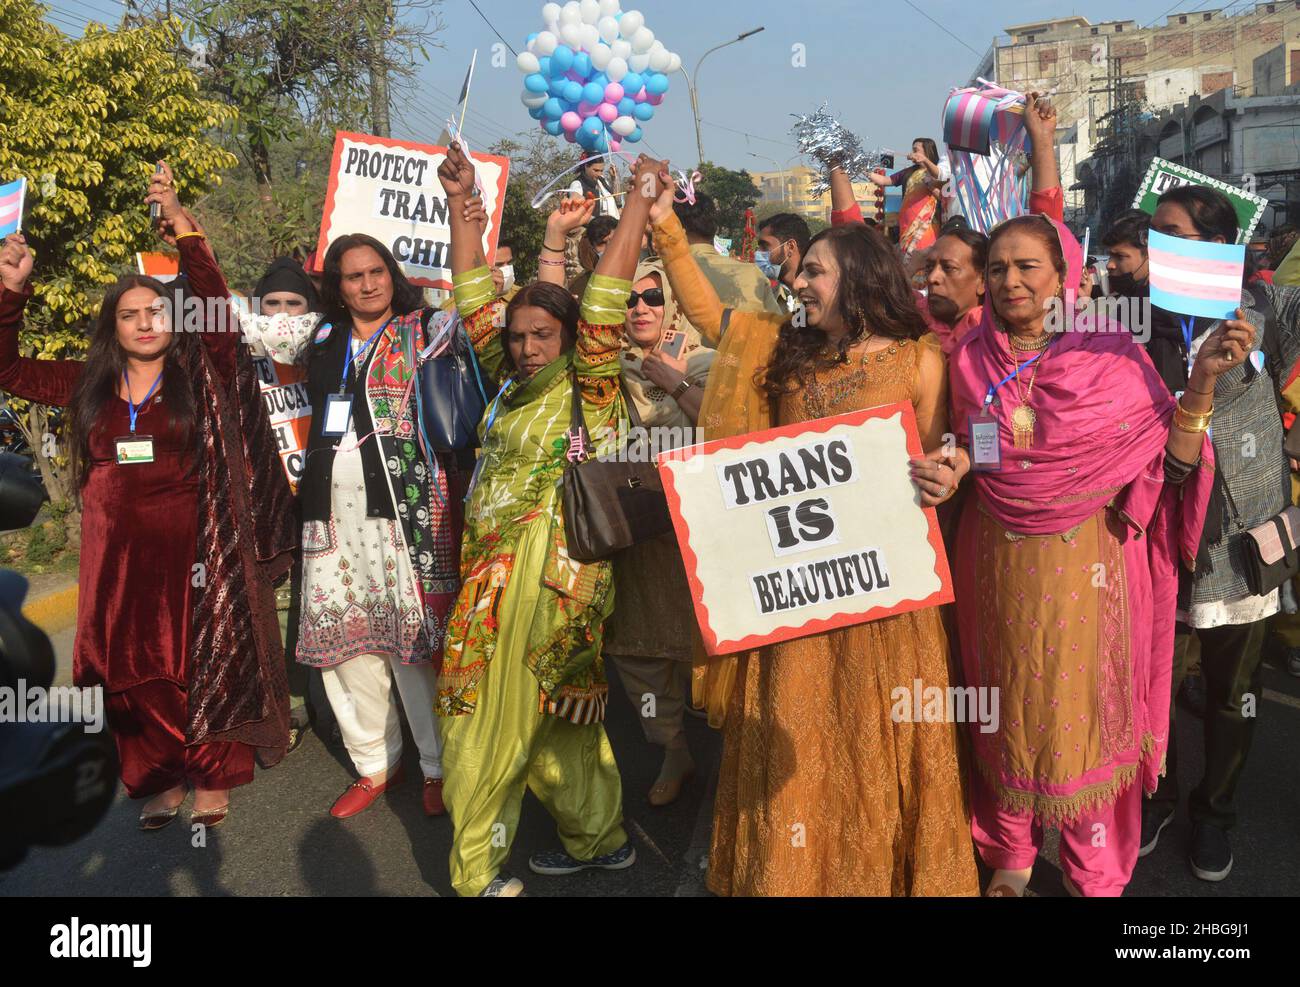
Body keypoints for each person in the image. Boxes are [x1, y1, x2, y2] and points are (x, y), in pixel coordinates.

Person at [649, 164, 980, 896]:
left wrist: (949, 469)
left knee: (873, 742)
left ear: (859, 278)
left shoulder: (920, 358)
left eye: (817, 273)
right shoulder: (784, 353)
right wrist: (664, 226)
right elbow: (712, 320)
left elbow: (951, 443)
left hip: (885, 601)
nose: (798, 282)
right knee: (797, 736)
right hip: (795, 598)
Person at [942, 183, 1252, 893]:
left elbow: (1170, 464)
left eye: (1027, 266)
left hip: (1092, 558)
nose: (1010, 281)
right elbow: (974, 443)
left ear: (1065, 274)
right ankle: (1012, 853)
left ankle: (1095, 868)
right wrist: (955, 461)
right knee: (1006, 697)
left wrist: (1200, 385)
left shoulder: (1111, 352)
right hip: (997, 557)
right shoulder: (969, 357)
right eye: (997, 268)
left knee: (1088, 706)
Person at [0, 166, 295, 830]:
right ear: (113, 327)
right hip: (116, 559)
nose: (143, 322)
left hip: (195, 546)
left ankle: (214, 774)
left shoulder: (200, 367)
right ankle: (157, 775)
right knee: (134, 673)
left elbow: (220, 320)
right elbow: (8, 369)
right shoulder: (88, 383)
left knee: (203, 658)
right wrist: (8, 292)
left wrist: (186, 229)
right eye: (129, 314)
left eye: (154, 310)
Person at [435, 142, 657, 897]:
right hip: (491, 576)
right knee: (552, 725)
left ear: (571, 342)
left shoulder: (589, 392)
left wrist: (635, 206)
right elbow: (471, 299)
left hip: (552, 582)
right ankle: (599, 839)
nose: (526, 347)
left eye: (543, 336)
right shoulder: (508, 383)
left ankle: (471, 876)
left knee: (483, 722)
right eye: (519, 335)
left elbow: (604, 302)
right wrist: (460, 204)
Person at [225, 233, 468, 821]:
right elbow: (241, 322)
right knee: (344, 650)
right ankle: (375, 764)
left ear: (392, 273)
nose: (368, 284)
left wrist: (467, 220)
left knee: (412, 647)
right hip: (330, 518)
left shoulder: (427, 329)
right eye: (353, 276)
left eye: (376, 271)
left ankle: (437, 766)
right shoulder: (320, 336)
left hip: (409, 516)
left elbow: (484, 308)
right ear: (336, 286)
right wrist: (189, 236)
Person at [1137, 184, 1300, 883]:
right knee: (1152, 684)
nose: (1157, 244)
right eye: (1155, 232)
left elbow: (1289, 389)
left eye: (1173, 232)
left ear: (1218, 244)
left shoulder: (1263, 308)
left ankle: (1216, 811)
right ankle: (1157, 793)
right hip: (1156, 531)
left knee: (1236, 691)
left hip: (1243, 541)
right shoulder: (1130, 319)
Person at [538, 208, 715, 805]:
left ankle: (731, 748)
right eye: (629, 300)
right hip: (631, 535)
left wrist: (673, 382)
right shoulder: (600, 373)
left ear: (672, 306)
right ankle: (671, 750)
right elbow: (553, 319)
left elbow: (730, 428)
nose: (639, 308)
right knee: (638, 653)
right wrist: (555, 242)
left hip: (699, 539)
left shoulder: (710, 363)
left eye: (651, 297)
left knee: (710, 650)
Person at [829, 94, 1062, 357]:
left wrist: (1041, 140)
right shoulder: (917, 323)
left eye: (949, 268)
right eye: (929, 266)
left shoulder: (1006, 329)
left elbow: (1050, 234)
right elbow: (856, 255)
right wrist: (836, 165)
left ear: (984, 281)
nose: (933, 278)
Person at [251, 256, 323, 755]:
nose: (281, 315)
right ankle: (292, 703)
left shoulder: (327, 351)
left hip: (326, 495)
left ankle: (333, 699)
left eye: (293, 304)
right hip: (269, 502)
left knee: (324, 597)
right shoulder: (239, 355)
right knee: (279, 606)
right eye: (271, 304)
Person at [673, 191, 783, 315]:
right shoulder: (751, 274)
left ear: (674, 227)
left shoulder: (661, 273)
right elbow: (777, 328)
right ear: (714, 227)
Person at [865, 138, 945, 256]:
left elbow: (943, 198)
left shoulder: (939, 172)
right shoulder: (908, 172)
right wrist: (862, 170)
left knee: (922, 258)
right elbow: (884, 180)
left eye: (915, 150)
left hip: (926, 225)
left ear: (927, 151)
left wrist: (930, 185)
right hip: (906, 224)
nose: (912, 153)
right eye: (912, 150)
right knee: (907, 259)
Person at [755, 212, 811, 313]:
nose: (758, 253)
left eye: (765, 246)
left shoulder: (816, 295)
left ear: (790, 247)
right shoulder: (766, 296)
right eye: (759, 248)